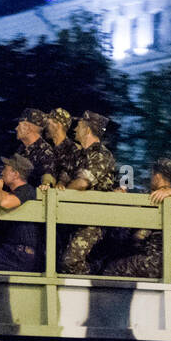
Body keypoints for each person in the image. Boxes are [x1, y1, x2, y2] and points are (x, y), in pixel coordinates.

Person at [104, 158, 171, 279]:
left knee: (110, 269)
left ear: (157, 176)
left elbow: (138, 236)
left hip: (156, 262)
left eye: (152, 174)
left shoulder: (152, 198)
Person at [58, 111, 117, 275]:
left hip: (93, 220)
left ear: (87, 130)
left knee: (70, 262)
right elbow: (64, 176)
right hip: (73, 217)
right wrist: (60, 185)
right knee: (58, 261)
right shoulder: (77, 155)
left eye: (79, 125)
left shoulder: (102, 155)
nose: (75, 128)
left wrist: (60, 195)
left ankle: (97, 276)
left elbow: (82, 183)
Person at [0, 155, 40, 272]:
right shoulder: (14, 192)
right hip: (10, 252)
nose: (2, 172)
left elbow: (5, 202)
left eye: (5, 169)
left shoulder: (27, 190)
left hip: (19, 255)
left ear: (16, 174)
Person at [39, 108, 79, 189]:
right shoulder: (46, 147)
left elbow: (67, 174)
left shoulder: (73, 149)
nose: (45, 127)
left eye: (48, 123)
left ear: (58, 125)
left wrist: (60, 183)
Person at [11, 109, 52, 187]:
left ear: (28, 128)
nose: (16, 128)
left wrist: (46, 183)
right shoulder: (21, 149)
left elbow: (47, 176)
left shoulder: (45, 151)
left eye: (19, 125)